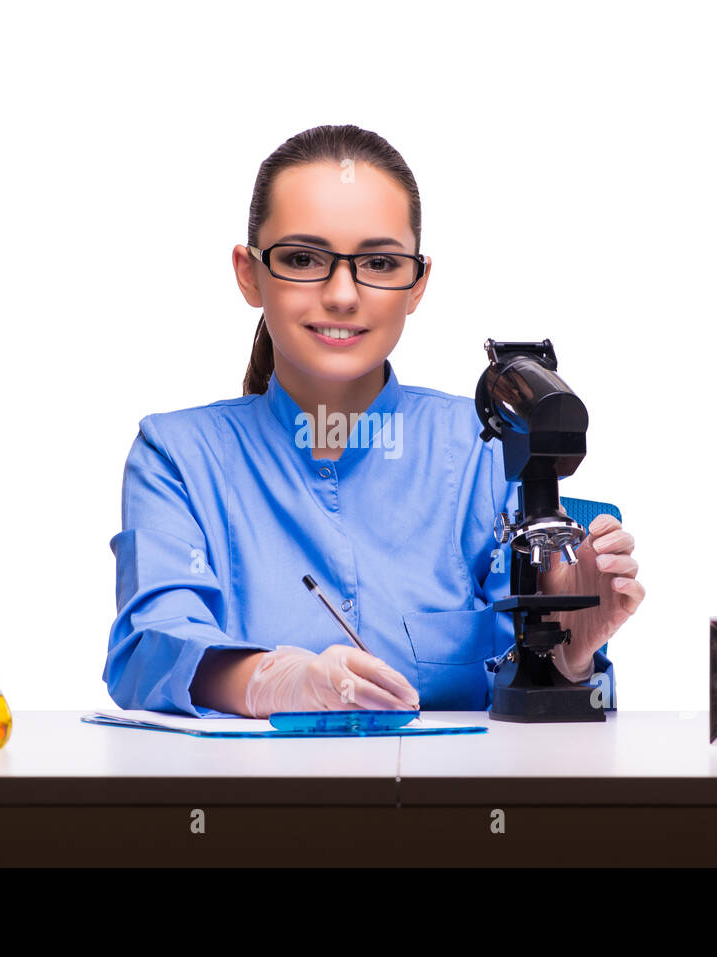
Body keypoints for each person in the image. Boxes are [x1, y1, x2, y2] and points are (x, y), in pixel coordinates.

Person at [104, 124, 644, 718]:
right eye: (303, 258)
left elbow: (529, 704)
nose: (342, 294)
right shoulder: (176, 456)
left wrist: (568, 653)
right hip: (251, 805)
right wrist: (274, 681)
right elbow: (151, 647)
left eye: (380, 262)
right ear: (248, 273)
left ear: (417, 283)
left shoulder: (487, 449)